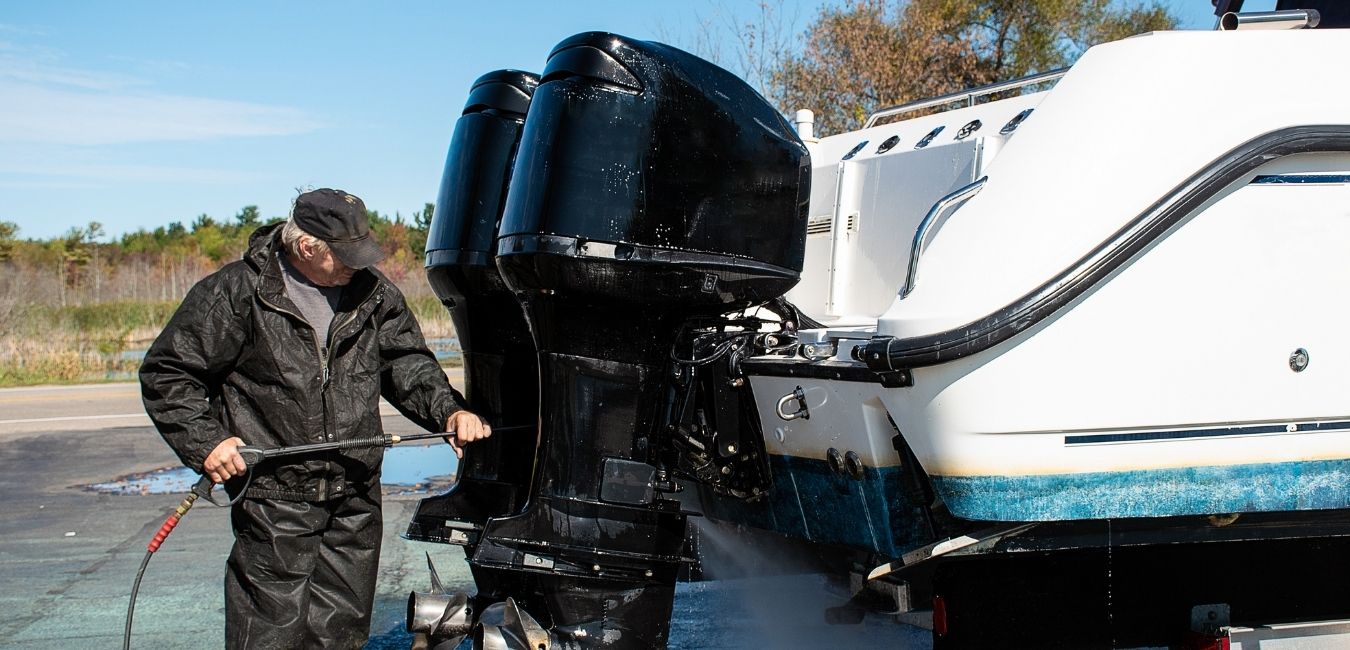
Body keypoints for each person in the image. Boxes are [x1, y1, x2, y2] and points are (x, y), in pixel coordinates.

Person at [140, 188, 490, 649]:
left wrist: (449, 409)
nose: (356, 265)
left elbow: (405, 363)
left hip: (354, 496)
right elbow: (169, 373)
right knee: (269, 634)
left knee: (341, 632)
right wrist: (208, 442)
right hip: (274, 495)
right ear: (306, 247)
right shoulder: (236, 292)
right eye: (345, 256)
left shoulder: (373, 292)